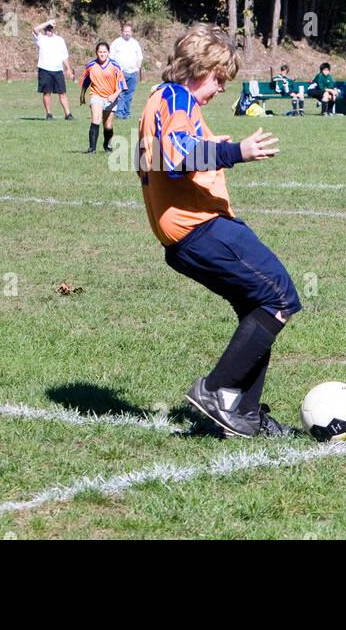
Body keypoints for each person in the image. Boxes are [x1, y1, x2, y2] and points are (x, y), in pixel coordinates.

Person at [136, 23, 298, 438]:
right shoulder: (176, 96)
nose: (222, 89)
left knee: (256, 306)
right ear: (198, 68)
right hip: (200, 228)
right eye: (220, 78)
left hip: (187, 234)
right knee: (279, 294)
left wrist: (211, 144)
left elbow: (174, 151)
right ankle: (216, 390)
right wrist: (234, 151)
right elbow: (176, 157)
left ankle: (241, 414)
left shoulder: (160, 99)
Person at [80, 41, 126, 154]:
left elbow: (121, 85)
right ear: (96, 52)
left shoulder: (115, 66)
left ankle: (107, 144)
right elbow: (86, 81)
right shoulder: (91, 66)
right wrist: (82, 95)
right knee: (96, 119)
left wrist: (114, 95)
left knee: (108, 125)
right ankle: (92, 148)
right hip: (96, 95)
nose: (102, 54)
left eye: (104, 52)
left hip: (111, 97)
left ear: (109, 52)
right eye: (100, 52)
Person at [33, 19, 75, 120]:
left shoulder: (60, 40)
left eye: (51, 28)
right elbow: (35, 29)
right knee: (47, 92)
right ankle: (49, 114)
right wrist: (48, 22)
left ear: (53, 29)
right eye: (47, 28)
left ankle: (68, 114)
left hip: (57, 70)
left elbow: (64, 56)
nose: (49, 30)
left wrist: (68, 69)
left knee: (62, 92)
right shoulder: (41, 38)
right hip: (45, 69)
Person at [110, 22, 144, 120]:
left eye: (129, 32)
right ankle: (119, 113)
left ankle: (126, 112)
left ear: (131, 32)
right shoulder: (117, 43)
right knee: (121, 93)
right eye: (125, 31)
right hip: (121, 72)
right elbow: (111, 58)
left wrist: (138, 69)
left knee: (129, 94)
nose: (127, 33)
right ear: (122, 32)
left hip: (133, 72)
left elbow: (140, 57)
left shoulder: (135, 43)